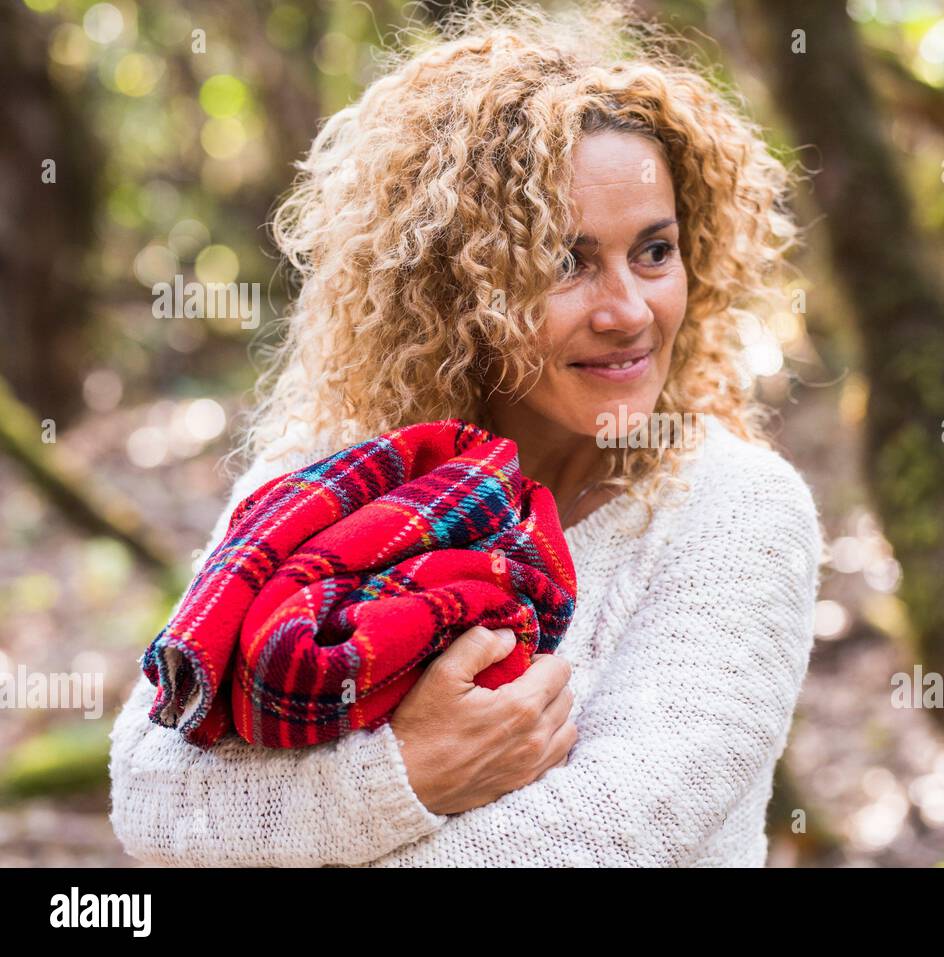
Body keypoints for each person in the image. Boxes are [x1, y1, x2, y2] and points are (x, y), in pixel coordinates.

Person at [107, 0, 822, 867]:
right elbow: (151, 787)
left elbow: (612, 835)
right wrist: (407, 771)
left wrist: (315, 820)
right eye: (565, 262)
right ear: (458, 286)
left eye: (654, 251)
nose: (629, 311)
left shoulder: (739, 510)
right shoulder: (327, 478)